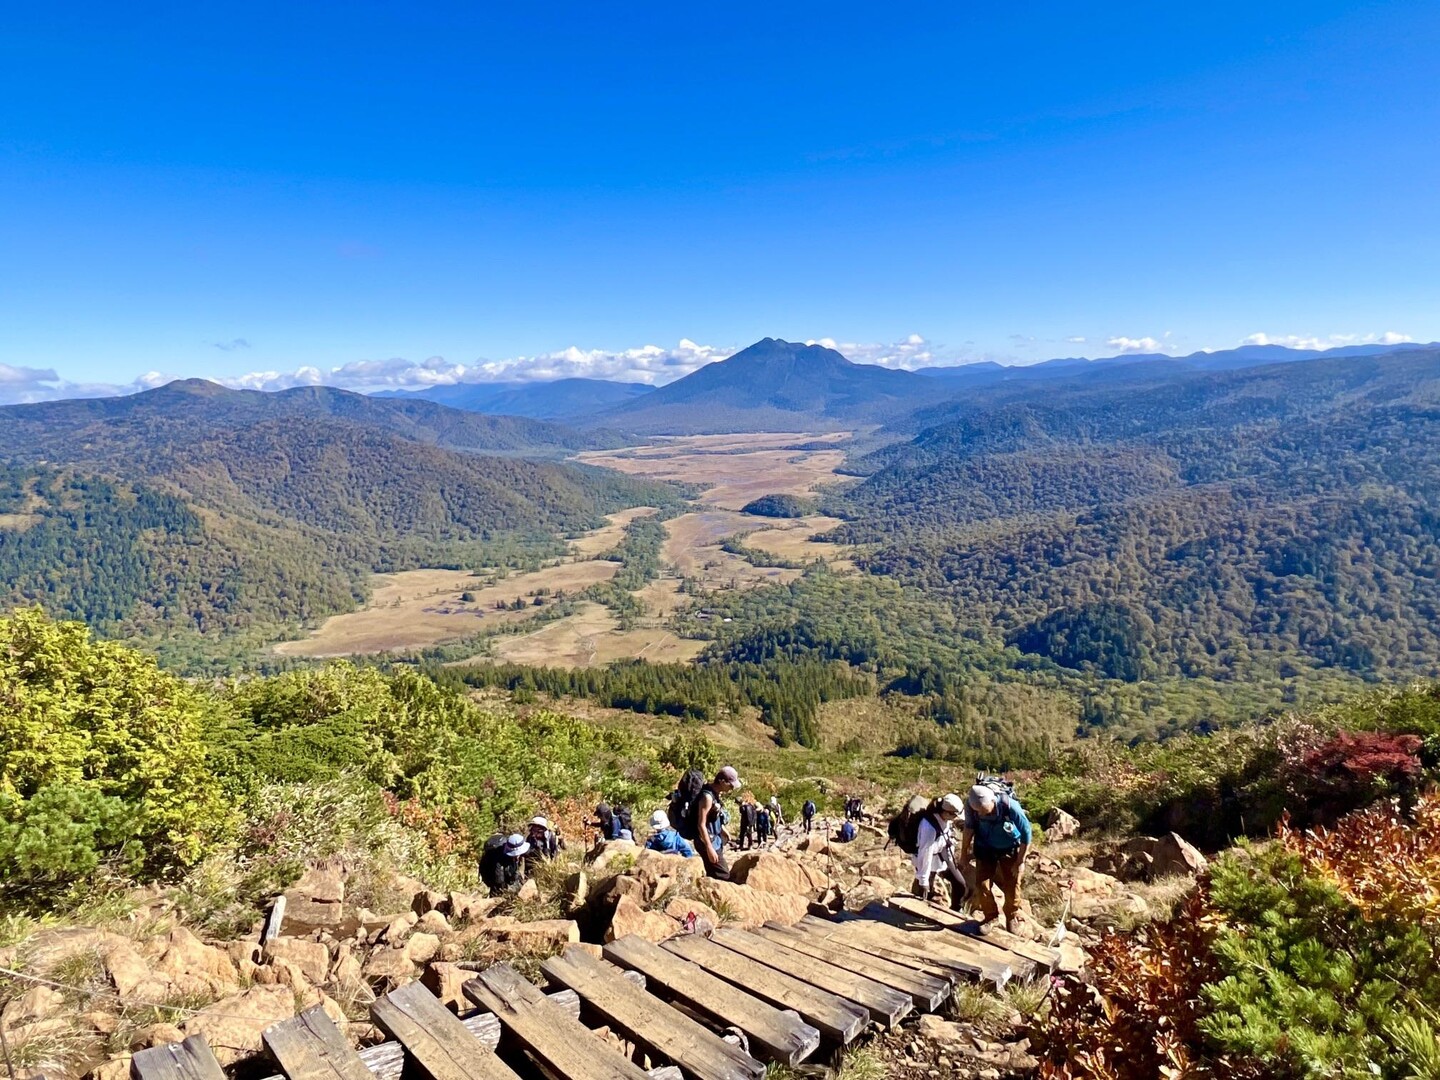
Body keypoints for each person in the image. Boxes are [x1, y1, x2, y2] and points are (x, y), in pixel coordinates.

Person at [958, 783, 1033, 933]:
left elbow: (1026, 833)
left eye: (985, 811)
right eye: (978, 812)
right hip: (985, 846)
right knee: (982, 884)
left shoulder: (1010, 806)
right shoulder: (971, 806)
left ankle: (1011, 916)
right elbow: (969, 829)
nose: (981, 815)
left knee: (1012, 884)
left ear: (993, 801)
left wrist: (1020, 861)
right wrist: (964, 854)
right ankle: (990, 917)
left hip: (1009, 847)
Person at [911, 793, 967, 910]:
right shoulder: (928, 827)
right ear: (946, 813)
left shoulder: (945, 819)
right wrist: (923, 880)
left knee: (960, 884)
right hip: (929, 862)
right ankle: (916, 911)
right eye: (955, 815)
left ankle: (956, 909)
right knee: (925, 891)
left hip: (943, 856)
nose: (956, 818)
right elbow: (924, 854)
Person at [693, 766, 742, 879]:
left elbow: (713, 818)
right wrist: (709, 848)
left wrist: (723, 830)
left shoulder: (715, 793)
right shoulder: (707, 797)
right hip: (706, 842)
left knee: (713, 874)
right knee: (724, 875)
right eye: (730, 784)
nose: (731, 788)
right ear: (721, 781)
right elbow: (701, 824)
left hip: (714, 839)